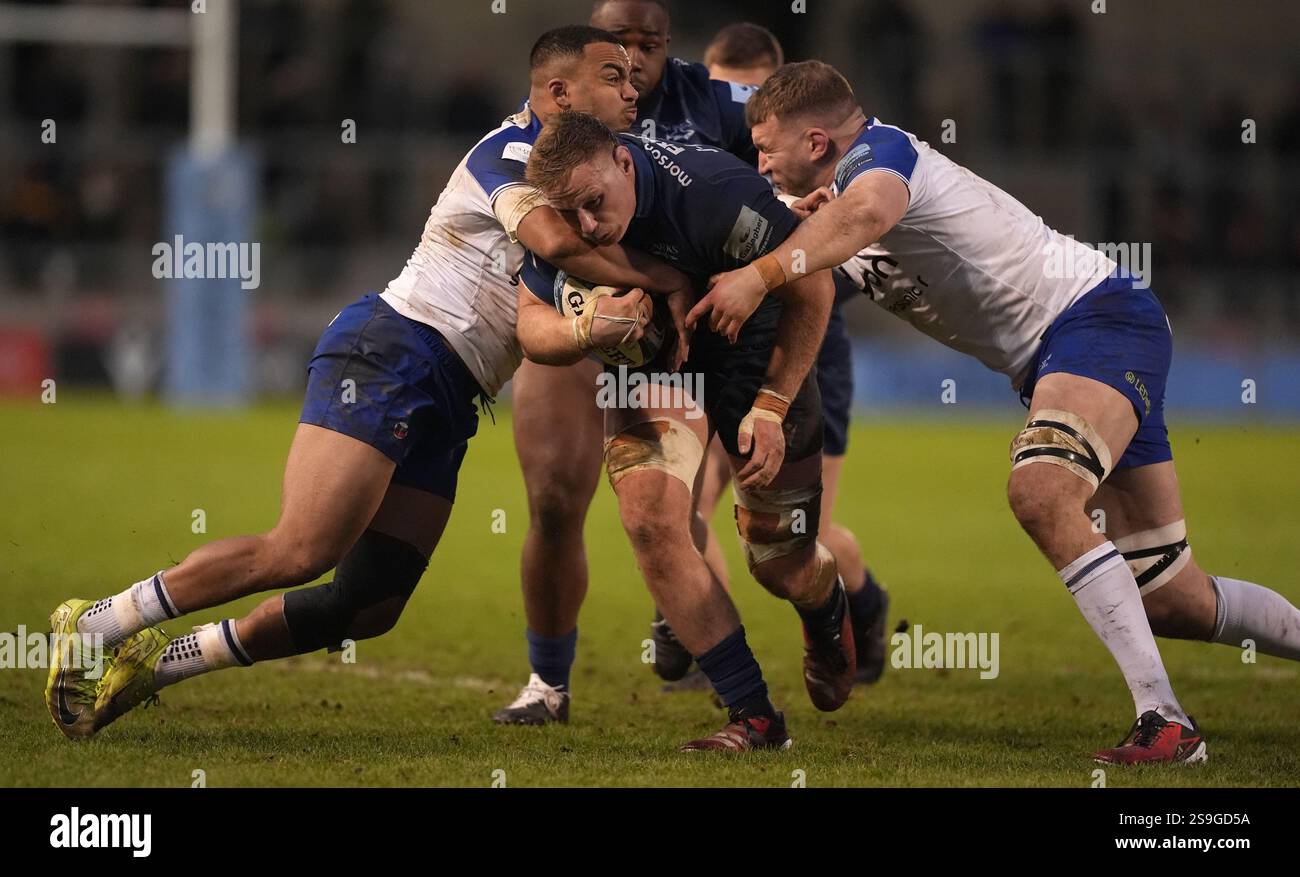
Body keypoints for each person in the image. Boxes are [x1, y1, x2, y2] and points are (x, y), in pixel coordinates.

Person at [44, 26, 693, 741]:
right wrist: (667, 281)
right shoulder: (509, 155)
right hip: (394, 349)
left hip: (454, 386)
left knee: (372, 602)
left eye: (634, 76)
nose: (633, 88)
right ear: (560, 92)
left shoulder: (606, 173)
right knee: (301, 548)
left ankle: (162, 663)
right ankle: (100, 620)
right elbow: (558, 246)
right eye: (613, 75)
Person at [692, 60, 1300, 764]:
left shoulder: (881, 155)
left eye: (768, 147)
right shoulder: (828, 207)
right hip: (1072, 350)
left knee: (1039, 489)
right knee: (1172, 596)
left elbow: (868, 213)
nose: (760, 162)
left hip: (1094, 320)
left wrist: (763, 270)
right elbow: (819, 288)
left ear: (820, 141)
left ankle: (1168, 724)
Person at [515, 110, 853, 751]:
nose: (586, 226)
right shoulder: (554, 217)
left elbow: (814, 290)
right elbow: (530, 324)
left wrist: (774, 405)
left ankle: (823, 603)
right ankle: (754, 716)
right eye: (570, 214)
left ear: (622, 162)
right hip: (654, 362)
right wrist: (585, 331)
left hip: (753, 348)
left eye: (593, 205)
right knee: (648, 518)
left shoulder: (713, 195)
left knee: (778, 560)